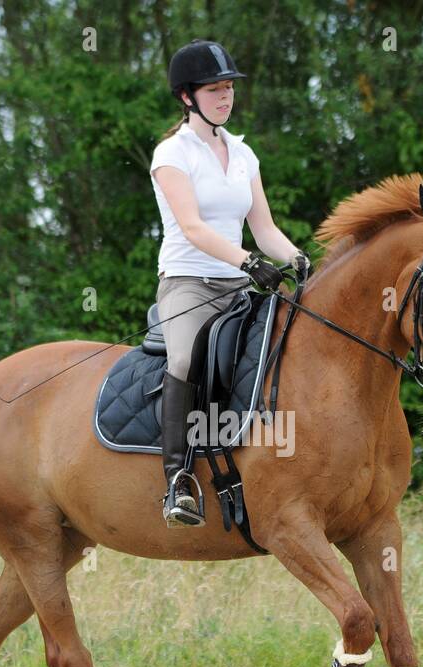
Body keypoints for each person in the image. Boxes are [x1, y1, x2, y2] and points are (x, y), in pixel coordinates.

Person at [150, 38, 310, 528]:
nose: (225, 97)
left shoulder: (243, 153)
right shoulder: (171, 154)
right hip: (188, 284)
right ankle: (177, 479)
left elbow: (263, 227)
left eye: (229, 88)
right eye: (214, 89)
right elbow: (194, 228)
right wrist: (248, 262)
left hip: (239, 287)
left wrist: (297, 257)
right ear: (186, 96)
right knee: (182, 357)